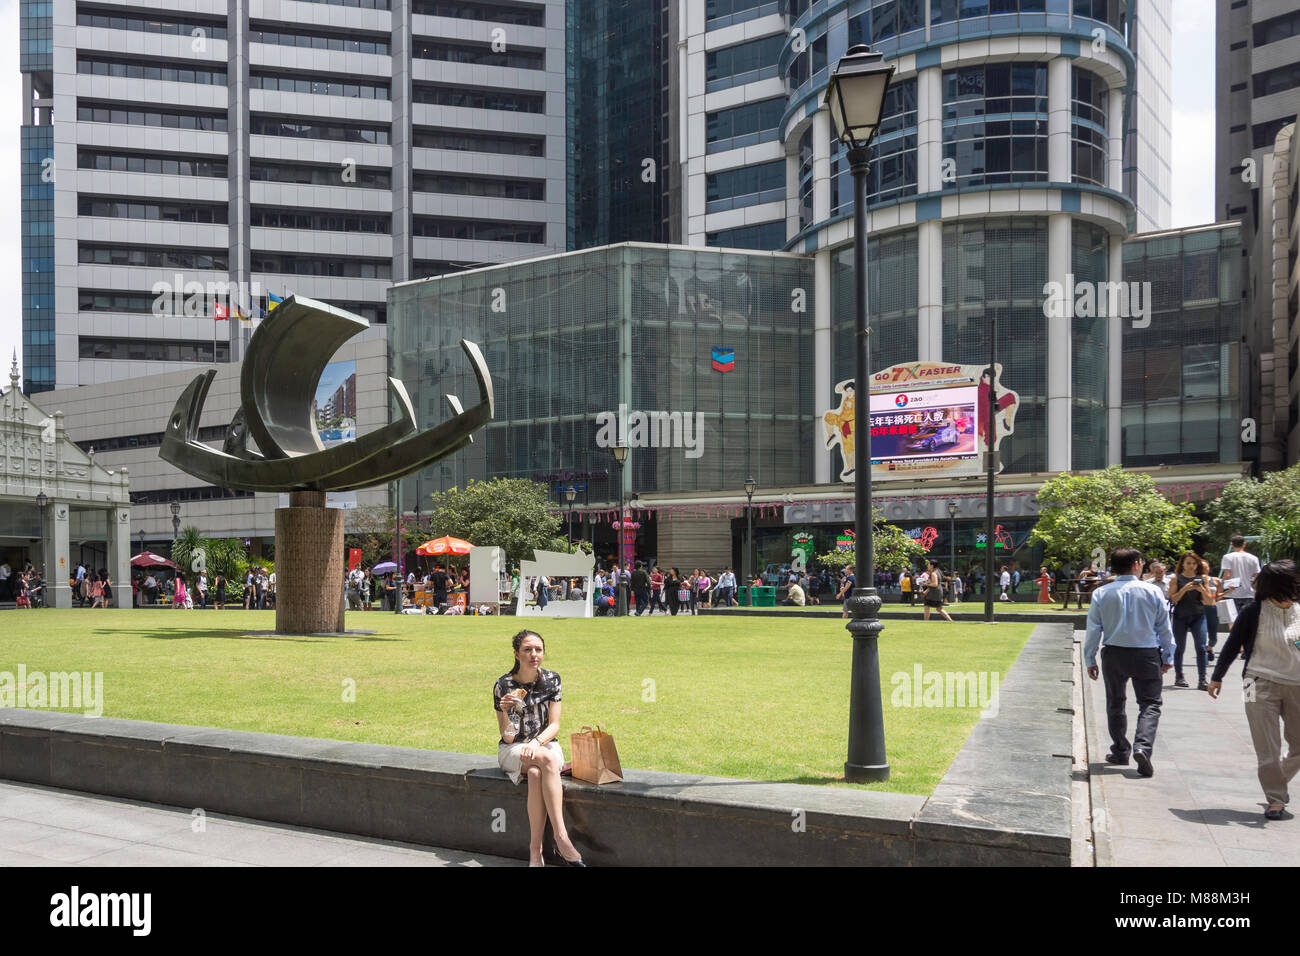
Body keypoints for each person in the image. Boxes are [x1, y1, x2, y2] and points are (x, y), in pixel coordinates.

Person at [1207, 560, 1300, 820]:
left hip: (1297, 684)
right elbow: (1232, 644)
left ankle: (1277, 781)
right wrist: (1217, 677)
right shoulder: (1253, 611)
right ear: (1282, 583)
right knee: (1266, 747)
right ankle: (1276, 799)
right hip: (1254, 683)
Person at [493, 630, 584, 866]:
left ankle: (535, 852)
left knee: (536, 773)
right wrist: (507, 712)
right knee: (545, 761)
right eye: (527, 650)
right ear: (516, 654)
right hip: (514, 752)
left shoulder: (552, 680)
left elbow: (554, 725)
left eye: (538, 650)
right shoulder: (503, 685)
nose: (534, 655)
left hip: (545, 745)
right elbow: (509, 738)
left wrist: (536, 743)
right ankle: (561, 837)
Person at [1084, 548, 1175, 778]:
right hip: (1146, 653)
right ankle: (1142, 746)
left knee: (1115, 702)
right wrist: (1168, 655)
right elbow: (1164, 627)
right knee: (1150, 704)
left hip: (1114, 653)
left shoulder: (1101, 593)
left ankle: (1120, 749)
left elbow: (1094, 628)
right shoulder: (1152, 591)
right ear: (1136, 564)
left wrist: (1089, 658)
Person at [1168, 552, 1211, 690]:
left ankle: (1203, 679)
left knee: (1201, 647)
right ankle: (1179, 676)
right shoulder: (1176, 579)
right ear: (1183, 564)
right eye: (1188, 563)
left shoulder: (1203, 579)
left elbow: (1209, 601)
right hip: (1180, 616)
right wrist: (1185, 589)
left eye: (1194, 563)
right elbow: (1172, 599)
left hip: (1198, 616)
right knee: (1179, 648)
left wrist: (1202, 589)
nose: (1191, 566)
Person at [1220, 534, 1263, 625]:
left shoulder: (1227, 557)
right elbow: (1257, 577)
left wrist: (1221, 585)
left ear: (1232, 544)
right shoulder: (1253, 558)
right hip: (1248, 593)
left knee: (1232, 622)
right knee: (1247, 621)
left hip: (1231, 593)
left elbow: (1227, 575)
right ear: (1244, 544)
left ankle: (1235, 638)